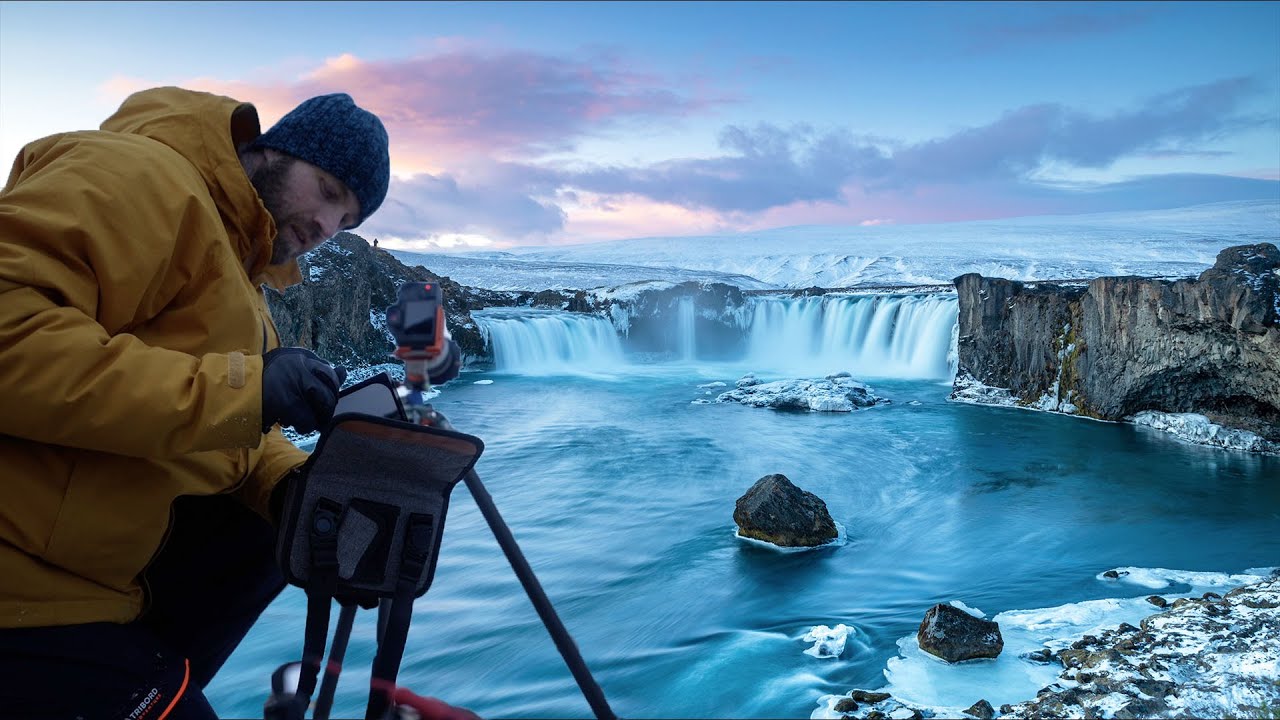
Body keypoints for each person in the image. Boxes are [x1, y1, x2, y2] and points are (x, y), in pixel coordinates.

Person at [0, 87, 389, 717]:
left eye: (348, 220)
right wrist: (244, 390)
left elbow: (223, 413)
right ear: (274, 152)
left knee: (273, 535)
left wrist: (291, 488)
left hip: (99, 586)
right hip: (26, 589)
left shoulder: (239, 270)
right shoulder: (139, 177)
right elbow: (10, 333)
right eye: (326, 189)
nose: (326, 227)